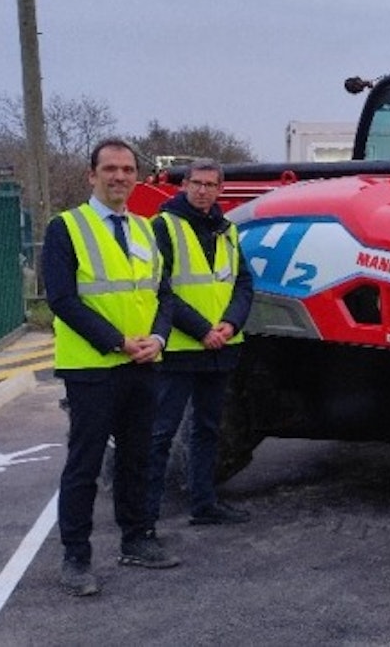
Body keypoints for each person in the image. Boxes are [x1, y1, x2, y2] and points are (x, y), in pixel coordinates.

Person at [43, 138, 181, 597]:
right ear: (92, 175)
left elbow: (164, 295)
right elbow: (63, 300)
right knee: (84, 463)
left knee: (137, 457)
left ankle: (137, 539)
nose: (119, 176)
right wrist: (118, 342)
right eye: (110, 169)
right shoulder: (66, 228)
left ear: (137, 177)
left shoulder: (145, 229)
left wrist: (158, 338)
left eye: (127, 169)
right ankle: (76, 557)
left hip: (143, 363)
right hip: (92, 367)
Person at [145, 158, 254, 530]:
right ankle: (146, 516)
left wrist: (230, 323)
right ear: (184, 185)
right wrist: (202, 330)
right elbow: (159, 289)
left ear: (220, 189)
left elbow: (243, 282)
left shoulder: (228, 229)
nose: (203, 190)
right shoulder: (163, 226)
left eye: (210, 184)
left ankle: (204, 504)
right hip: (179, 348)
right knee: (161, 432)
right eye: (196, 183)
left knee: (208, 429)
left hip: (220, 346)